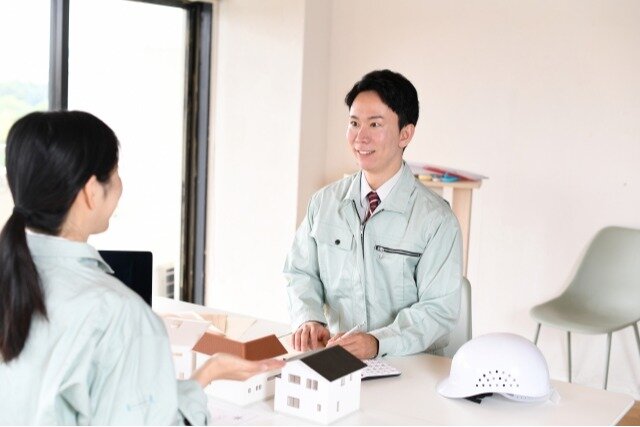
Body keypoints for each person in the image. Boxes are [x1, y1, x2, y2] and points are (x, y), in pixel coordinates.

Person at [0, 111, 284, 425]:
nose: (120, 184)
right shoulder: (118, 314)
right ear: (91, 192)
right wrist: (208, 376)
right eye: (115, 172)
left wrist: (207, 373)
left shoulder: (13, 278)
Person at [284, 69, 462, 360]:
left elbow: (437, 310)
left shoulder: (436, 220)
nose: (360, 137)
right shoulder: (323, 203)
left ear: (405, 134)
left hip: (409, 364)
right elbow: (300, 272)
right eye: (354, 123)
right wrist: (309, 318)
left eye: (375, 124)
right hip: (337, 359)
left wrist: (378, 343)